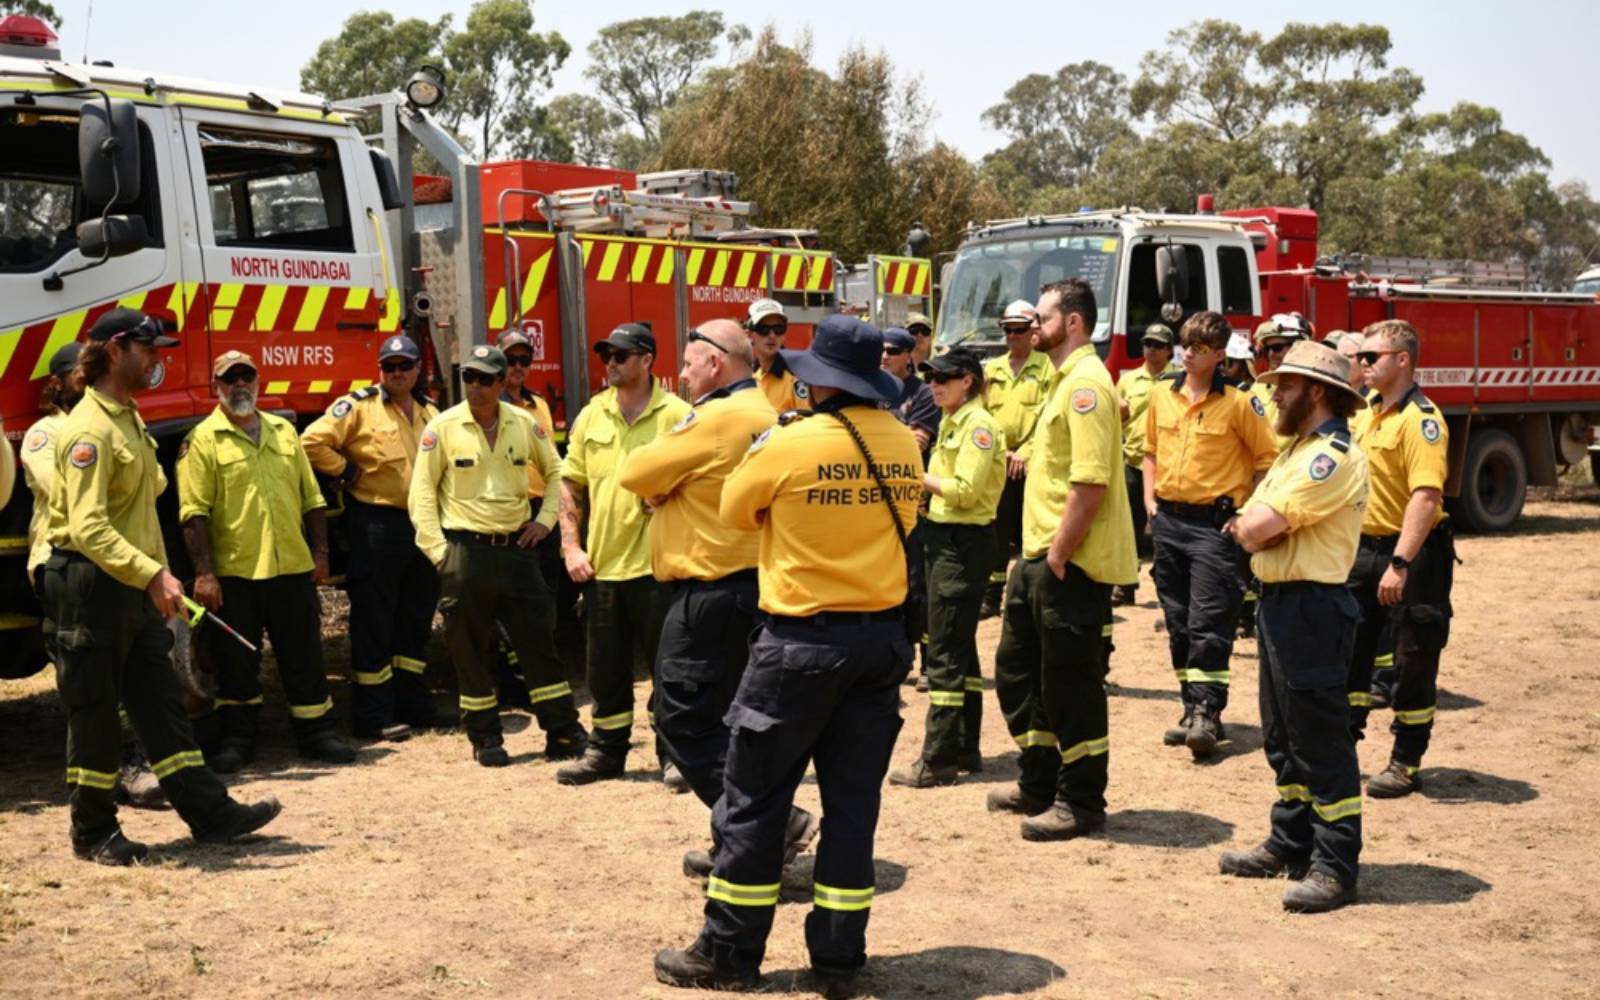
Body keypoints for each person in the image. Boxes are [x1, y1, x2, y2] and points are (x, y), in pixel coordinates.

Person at [653, 314, 922, 994]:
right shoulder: (903, 443)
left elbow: (735, 514)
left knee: (754, 802)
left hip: (799, 646)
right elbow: (909, 521)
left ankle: (728, 953)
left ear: (817, 379)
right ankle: (838, 963)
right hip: (878, 644)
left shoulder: (789, 444)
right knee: (853, 809)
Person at [41, 308, 280, 864]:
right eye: (149, 349)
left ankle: (211, 815)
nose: (158, 359)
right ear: (116, 349)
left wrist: (155, 577)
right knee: (95, 712)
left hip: (130, 585)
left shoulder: (128, 418)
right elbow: (87, 526)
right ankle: (93, 831)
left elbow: (138, 517)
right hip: (88, 585)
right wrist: (152, 573)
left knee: (160, 705)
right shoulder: (89, 429)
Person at [617, 318, 818, 877]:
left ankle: (772, 827)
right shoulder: (764, 411)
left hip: (709, 592)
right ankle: (744, 843)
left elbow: (635, 471)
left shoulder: (719, 415)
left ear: (714, 362)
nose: (679, 375)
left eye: (686, 363)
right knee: (732, 725)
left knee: (681, 720)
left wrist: (669, 484)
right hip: (751, 587)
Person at [1220, 339, 1369, 913]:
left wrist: (1258, 528)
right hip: (1280, 603)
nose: (1273, 391)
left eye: (1284, 384)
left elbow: (1256, 525)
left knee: (1322, 742)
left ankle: (1335, 867)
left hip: (1314, 607)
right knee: (1283, 738)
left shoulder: (1330, 456)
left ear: (1317, 392)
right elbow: (1250, 522)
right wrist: (1257, 528)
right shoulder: (1295, 451)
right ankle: (1291, 842)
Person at [988, 278, 1137, 839]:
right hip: (1038, 556)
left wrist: (1058, 555)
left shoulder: (1087, 386)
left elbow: (1090, 482)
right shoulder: (1061, 380)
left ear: (1073, 322)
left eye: (1043, 317)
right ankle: (1038, 781)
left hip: (1069, 562)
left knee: (1072, 687)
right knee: (1021, 675)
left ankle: (1081, 801)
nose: (1032, 326)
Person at [407, 345, 587, 766]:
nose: (476, 386)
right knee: (470, 651)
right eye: (469, 377)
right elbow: (421, 493)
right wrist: (439, 553)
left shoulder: (525, 423)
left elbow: (556, 470)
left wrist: (544, 521)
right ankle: (486, 738)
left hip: (517, 551)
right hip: (464, 552)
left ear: (503, 381)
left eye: (486, 378)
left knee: (539, 643)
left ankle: (562, 732)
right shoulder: (443, 427)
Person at [178, 351, 356, 771]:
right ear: (216, 387)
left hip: (292, 567)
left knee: (304, 655)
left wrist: (320, 554)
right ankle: (238, 740)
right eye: (229, 379)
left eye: (246, 377)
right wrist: (204, 573)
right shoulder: (203, 440)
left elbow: (312, 499)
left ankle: (317, 736)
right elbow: (193, 512)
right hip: (236, 572)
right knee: (237, 662)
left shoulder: (283, 431)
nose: (239, 385)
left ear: (258, 381)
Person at [23, 342, 164, 808]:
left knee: (128, 673)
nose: (78, 380)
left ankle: (134, 766)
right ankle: (109, 780)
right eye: (70, 374)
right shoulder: (48, 433)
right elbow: (62, 488)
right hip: (65, 560)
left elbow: (155, 481)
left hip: (115, 559)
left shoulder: (121, 420)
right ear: (58, 383)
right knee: (90, 686)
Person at [558, 323, 691, 785]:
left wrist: (671, 496)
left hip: (661, 567)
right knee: (605, 671)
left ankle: (674, 755)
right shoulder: (592, 415)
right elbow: (570, 482)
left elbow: (701, 480)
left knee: (669, 670)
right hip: (603, 568)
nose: (610, 363)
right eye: (605, 355)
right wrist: (571, 545)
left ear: (647, 360)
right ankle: (605, 753)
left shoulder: (678, 414)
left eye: (621, 355)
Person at [1143, 312, 1278, 759]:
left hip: (1213, 528)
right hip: (1170, 523)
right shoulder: (1163, 396)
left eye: (1199, 348)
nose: (1187, 353)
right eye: (1185, 344)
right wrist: (1150, 505)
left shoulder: (1241, 403)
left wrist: (1245, 515)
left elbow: (1267, 462)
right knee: (1178, 622)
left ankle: (1207, 711)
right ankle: (1189, 707)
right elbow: (1149, 454)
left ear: (1220, 355)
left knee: (1209, 624)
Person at [300, 335, 443, 738]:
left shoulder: (432, 411)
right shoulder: (358, 406)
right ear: (379, 371)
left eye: (404, 366)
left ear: (418, 369)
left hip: (423, 525)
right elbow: (310, 442)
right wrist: (346, 473)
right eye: (389, 367)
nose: (396, 373)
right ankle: (373, 716)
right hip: (377, 524)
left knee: (416, 617)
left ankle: (414, 704)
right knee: (374, 619)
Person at [1344, 320, 1454, 798]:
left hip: (1411, 554)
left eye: (1373, 356)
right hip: (1360, 549)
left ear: (1403, 360)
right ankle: (1341, 747)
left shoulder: (1422, 420)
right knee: (1350, 654)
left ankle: (1405, 761)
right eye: (1361, 357)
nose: (1363, 364)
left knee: (1413, 659)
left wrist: (1401, 563)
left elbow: (1426, 497)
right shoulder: (1365, 412)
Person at [890, 347, 1004, 788]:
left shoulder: (977, 425)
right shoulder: (954, 420)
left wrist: (914, 478)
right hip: (945, 540)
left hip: (963, 543)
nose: (935, 384)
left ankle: (937, 757)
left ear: (968, 381)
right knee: (960, 646)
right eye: (931, 377)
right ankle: (964, 746)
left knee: (944, 650)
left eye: (945, 377)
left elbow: (966, 490)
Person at [492, 328, 565, 709]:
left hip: (543, 514)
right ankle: (514, 684)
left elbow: (551, 463)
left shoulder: (538, 405)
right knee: (510, 605)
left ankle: (539, 680)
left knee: (545, 600)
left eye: (524, 360)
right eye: (510, 359)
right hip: (511, 514)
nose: (518, 367)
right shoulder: (491, 406)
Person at [981, 300, 1053, 618]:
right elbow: (981, 415)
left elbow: (1048, 419)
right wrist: (1003, 451)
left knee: (1029, 534)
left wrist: (1024, 453)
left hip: (1032, 464)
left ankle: (1024, 597)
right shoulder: (991, 370)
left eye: (1019, 330)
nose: (1012, 335)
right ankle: (991, 596)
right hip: (999, 462)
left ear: (1032, 331)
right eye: (1007, 330)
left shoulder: (1048, 368)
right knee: (996, 534)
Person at [1113, 323, 1178, 606]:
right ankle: (1126, 585)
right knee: (1130, 527)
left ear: (1168, 350)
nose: (1151, 349)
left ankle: (1168, 584)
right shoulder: (1129, 381)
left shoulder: (1179, 380)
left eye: (1158, 345)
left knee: (1167, 528)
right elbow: (1117, 420)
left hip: (1168, 466)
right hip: (1133, 462)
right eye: (1147, 343)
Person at [1253, 314, 1310, 451]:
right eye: (1267, 349)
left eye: (1277, 347)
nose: (1271, 354)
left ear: (1298, 346)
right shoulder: (1259, 385)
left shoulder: (1312, 387)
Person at [745, 299, 808, 413]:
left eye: (778, 329)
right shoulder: (750, 375)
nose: (772, 335)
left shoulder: (797, 377)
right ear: (749, 334)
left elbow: (810, 423)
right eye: (763, 329)